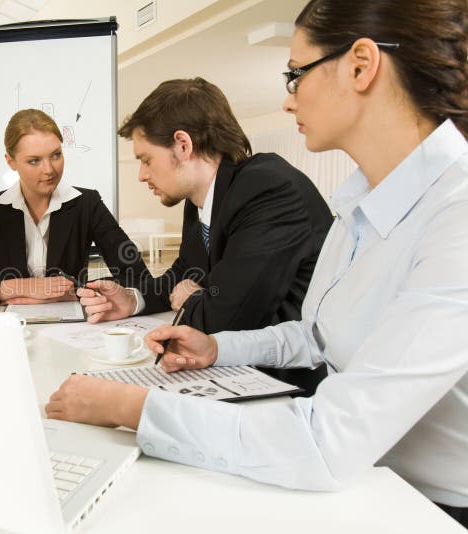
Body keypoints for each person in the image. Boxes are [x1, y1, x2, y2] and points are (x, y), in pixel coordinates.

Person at [47, 0, 468, 526]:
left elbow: (327, 441)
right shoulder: (358, 204)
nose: (288, 102)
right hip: (362, 475)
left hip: (426, 505)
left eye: (296, 75)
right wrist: (216, 347)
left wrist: (130, 408)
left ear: (361, 66)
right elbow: (313, 335)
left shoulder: (457, 216)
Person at [78, 78, 333, 394]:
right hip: (238, 373)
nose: (142, 174)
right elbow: (184, 274)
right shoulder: (199, 199)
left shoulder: (266, 188)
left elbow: (226, 320)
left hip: (293, 386)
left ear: (183, 145)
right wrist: (133, 300)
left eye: (146, 159)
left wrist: (194, 297)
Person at [0, 109, 150, 309]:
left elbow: (140, 279)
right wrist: (15, 288)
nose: (49, 170)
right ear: (11, 162)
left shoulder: (87, 203)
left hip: (74, 323)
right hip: (12, 325)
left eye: (56, 155)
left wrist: (79, 291)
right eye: (34, 161)